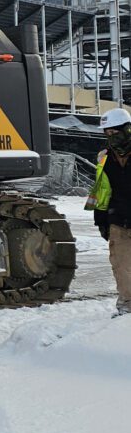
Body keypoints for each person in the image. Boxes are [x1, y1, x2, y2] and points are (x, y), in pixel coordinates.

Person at [85, 106, 131, 317]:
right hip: (118, 219)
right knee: (121, 266)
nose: (111, 137)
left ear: (127, 129)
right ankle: (127, 307)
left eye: (114, 132)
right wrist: (101, 220)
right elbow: (102, 190)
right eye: (107, 133)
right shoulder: (104, 158)